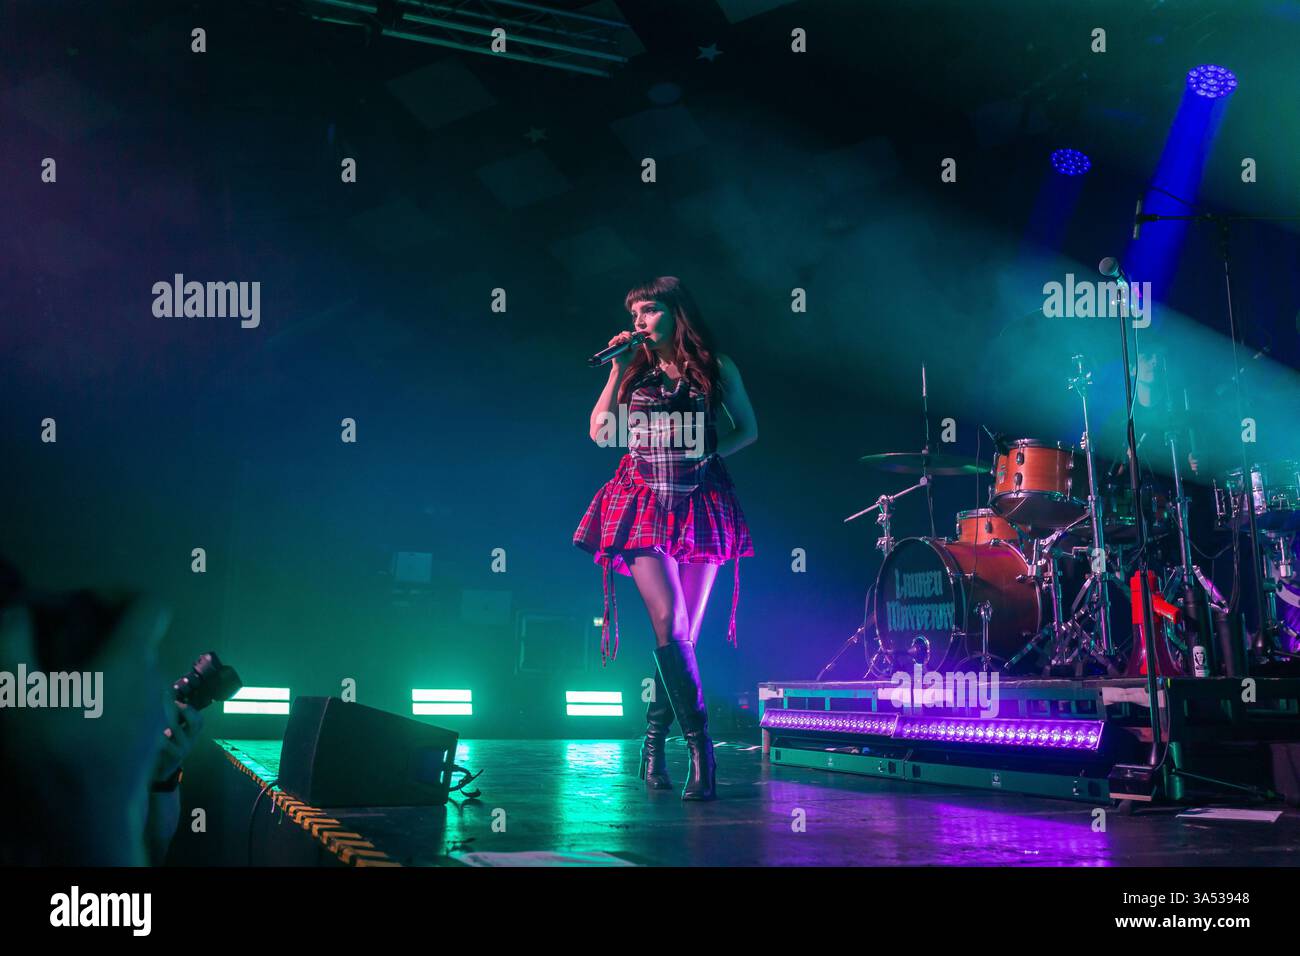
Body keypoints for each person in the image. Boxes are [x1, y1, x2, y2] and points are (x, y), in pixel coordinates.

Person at [573, 277, 756, 801]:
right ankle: (703, 753)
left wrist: (710, 454)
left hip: (701, 501)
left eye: (649, 310)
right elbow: (601, 431)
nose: (639, 322)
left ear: (676, 313)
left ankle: (652, 741)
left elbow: (748, 428)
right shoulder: (634, 370)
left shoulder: (716, 368)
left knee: (685, 639)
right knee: (669, 624)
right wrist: (615, 368)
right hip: (642, 501)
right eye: (635, 314)